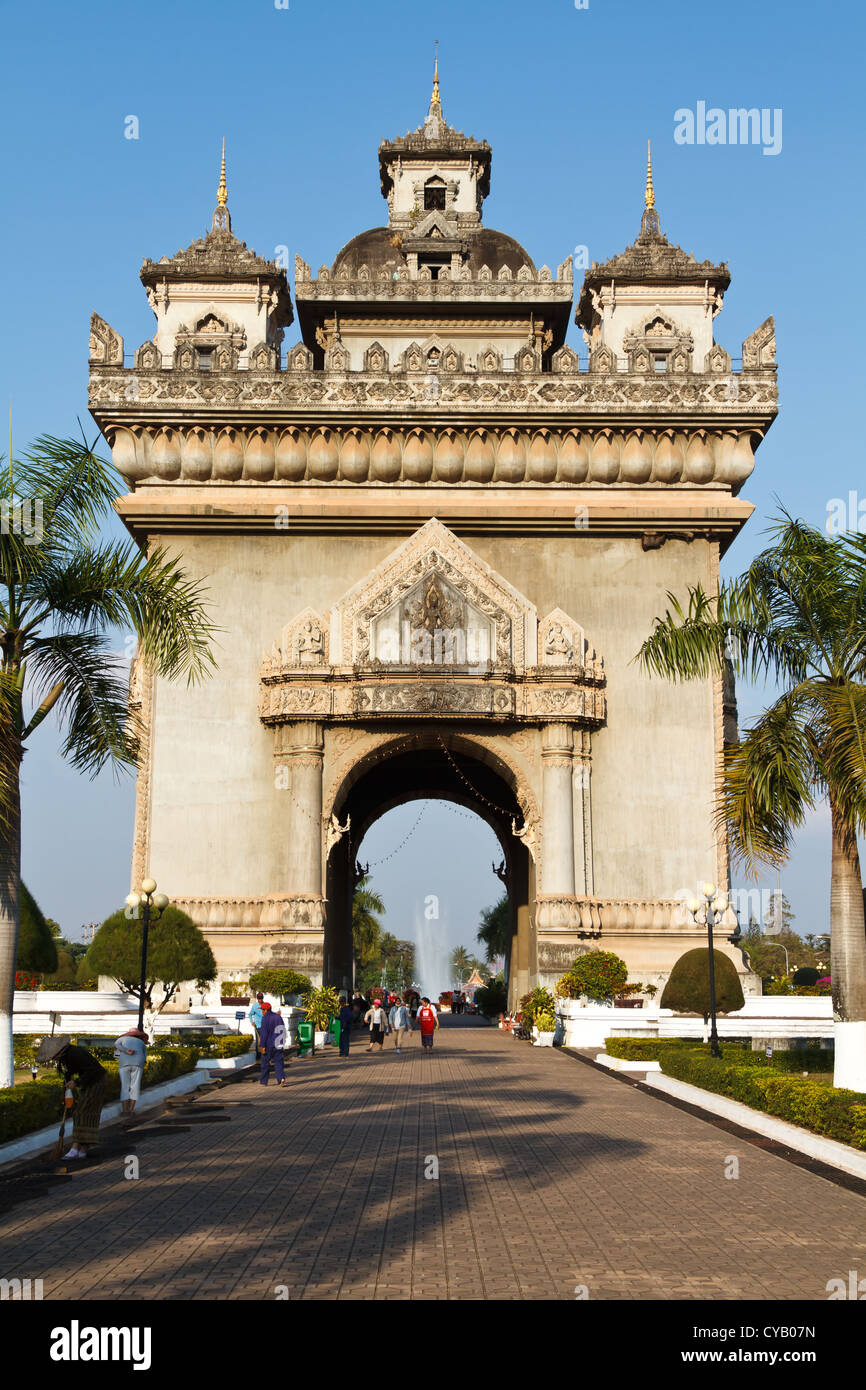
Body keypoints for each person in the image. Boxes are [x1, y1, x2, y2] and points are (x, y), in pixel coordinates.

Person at [40, 1035, 107, 1158]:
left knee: (83, 1113)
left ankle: (77, 1147)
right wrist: (65, 1092)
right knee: (83, 1113)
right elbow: (68, 1074)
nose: (54, 1059)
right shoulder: (66, 1057)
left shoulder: (75, 1053)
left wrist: (77, 1082)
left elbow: (93, 1071)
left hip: (96, 1081)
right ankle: (82, 1149)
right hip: (88, 1082)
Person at [113, 1027, 148, 1118]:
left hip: (124, 1064)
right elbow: (144, 1059)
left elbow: (116, 1050)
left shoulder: (121, 1039)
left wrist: (125, 1050)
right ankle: (131, 1110)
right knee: (135, 1086)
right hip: (138, 1064)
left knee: (125, 1086)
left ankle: (125, 1111)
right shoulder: (141, 1043)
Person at [258, 1003, 287, 1086]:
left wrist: (262, 1046)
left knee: (265, 1064)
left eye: (262, 1010)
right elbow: (282, 1029)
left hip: (269, 1044)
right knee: (279, 1062)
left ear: (266, 1010)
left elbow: (264, 1033)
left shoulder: (265, 1019)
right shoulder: (278, 1017)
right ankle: (281, 1078)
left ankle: (264, 1081)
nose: (262, 1012)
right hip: (278, 1043)